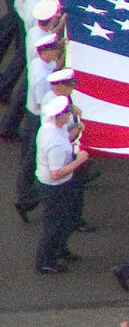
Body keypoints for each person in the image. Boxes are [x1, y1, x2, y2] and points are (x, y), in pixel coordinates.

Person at [33, 97, 89, 277]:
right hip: (54, 186)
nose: (70, 115)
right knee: (54, 225)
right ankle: (45, 261)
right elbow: (56, 172)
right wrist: (78, 162)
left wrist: (77, 129)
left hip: (56, 185)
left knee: (63, 220)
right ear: (60, 116)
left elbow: (67, 138)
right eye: (67, 113)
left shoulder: (51, 128)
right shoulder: (54, 143)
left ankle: (59, 250)